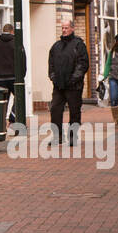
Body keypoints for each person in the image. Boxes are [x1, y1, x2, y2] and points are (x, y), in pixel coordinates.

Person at [48, 19, 90, 147]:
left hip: (74, 86)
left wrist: (73, 80)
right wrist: (53, 77)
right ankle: (57, 136)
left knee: (74, 112)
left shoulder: (79, 45)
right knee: (55, 109)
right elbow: (51, 65)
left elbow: (82, 64)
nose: (64, 30)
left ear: (72, 28)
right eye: (62, 28)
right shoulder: (56, 46)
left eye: (66, 28)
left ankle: (73, 137)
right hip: (59, 85)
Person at [0, 21, 25, 124]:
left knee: (2, 102)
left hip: (0, 78)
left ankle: (0, 123)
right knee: (19, 99)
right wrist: (22, 75)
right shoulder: (17, 43)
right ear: (12, 31)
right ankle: (13, 117)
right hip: (14, 77)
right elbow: (23, 60)